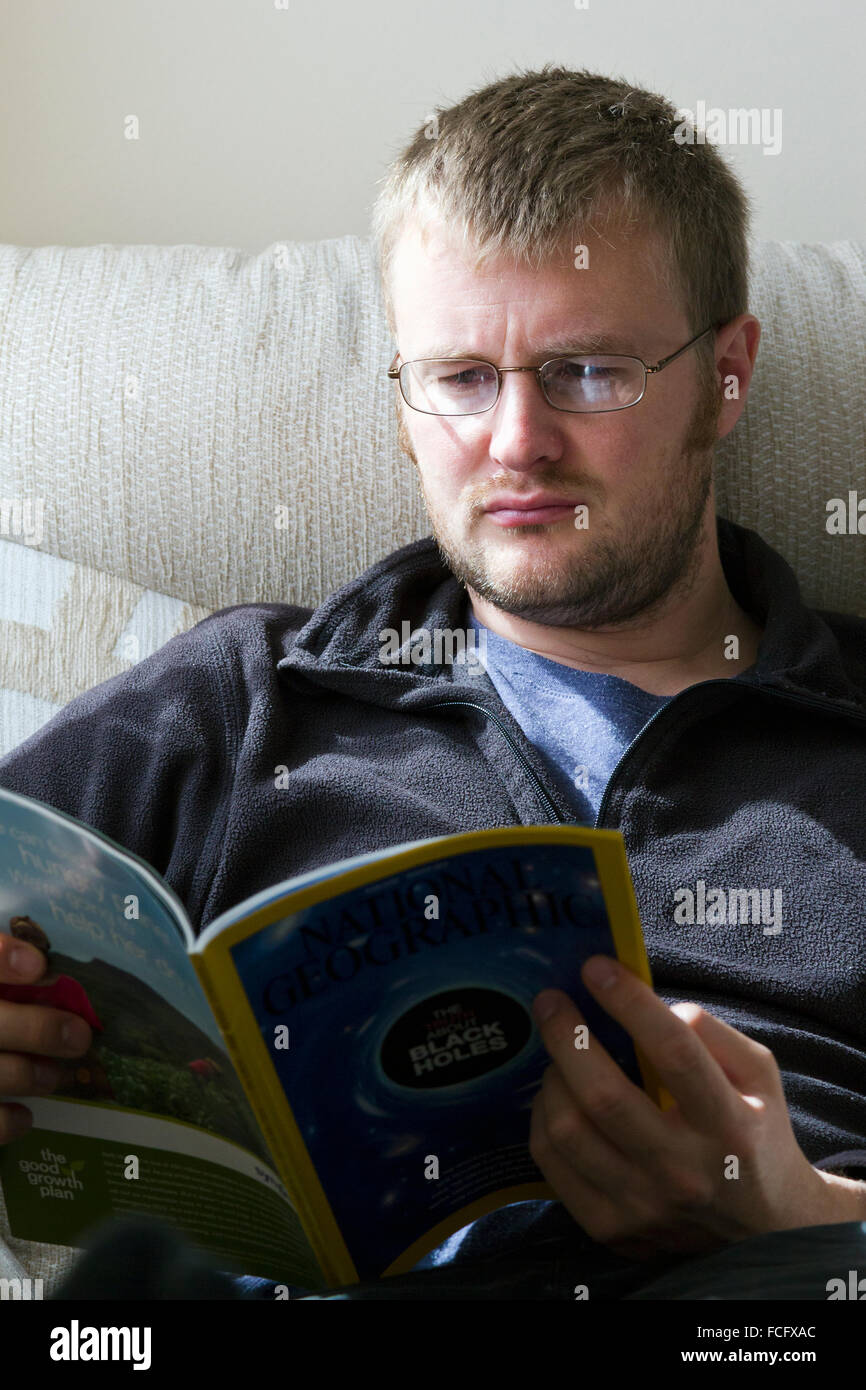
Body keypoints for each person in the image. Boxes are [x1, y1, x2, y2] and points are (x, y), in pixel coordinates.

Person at [1, 64, 865, 1301]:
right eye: (460, 378)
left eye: (586, 371)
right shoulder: (246, 697)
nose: (515, 443)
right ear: (403, 405)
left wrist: (796, 1214)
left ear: (724, 375)